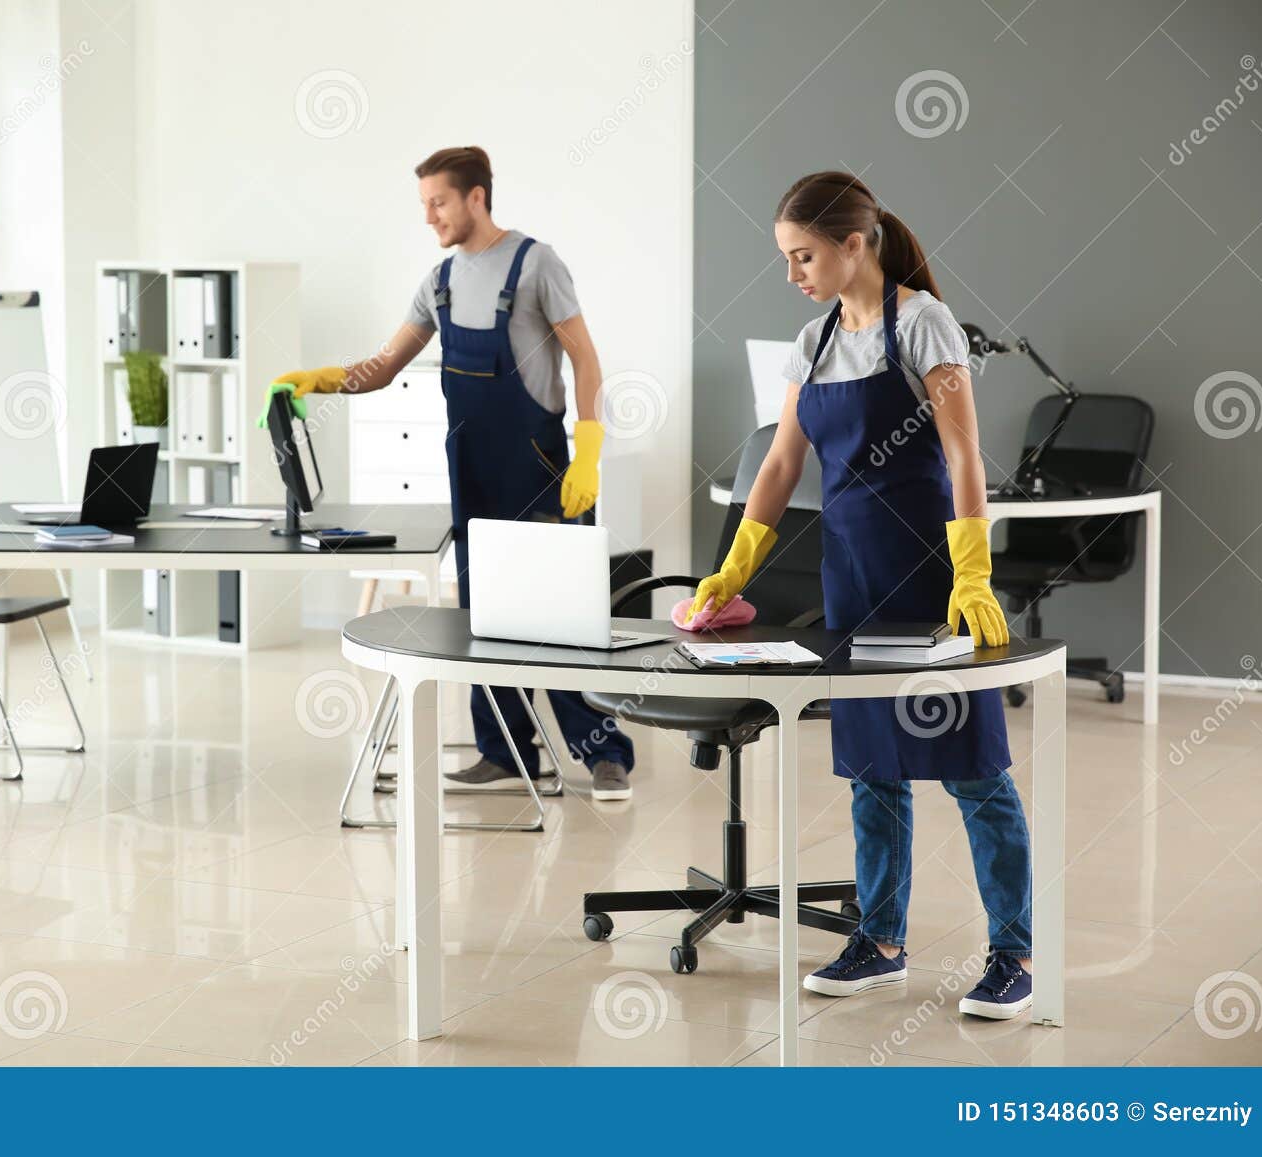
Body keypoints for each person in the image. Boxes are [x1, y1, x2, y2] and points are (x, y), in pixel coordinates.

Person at [689, 171, 1033, 1020]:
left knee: (974, 771)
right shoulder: (811, 341)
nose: (793, 273)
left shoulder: (923, 323)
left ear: (855, 243)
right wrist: (735, 567)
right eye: (787, 258)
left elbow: (962, 457)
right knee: (873, 771)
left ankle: (1015, 953)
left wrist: (974, 571)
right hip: (852, 583)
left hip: (930, 580)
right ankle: (879, 940)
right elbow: (779, 464)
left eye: (804, 255)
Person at [268, 145, 636, 802]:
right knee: (484, 611)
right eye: (424, 205)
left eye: (438, 202)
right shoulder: (437, 280)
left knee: (564, 613)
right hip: (473, 469)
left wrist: (589, 451)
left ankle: (604, 754)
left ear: (475, 197)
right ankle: (503, 752)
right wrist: (321, 379)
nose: (430, 216)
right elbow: (382, 366)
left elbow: (585, 359)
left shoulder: (535, 265)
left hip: (543, 466)